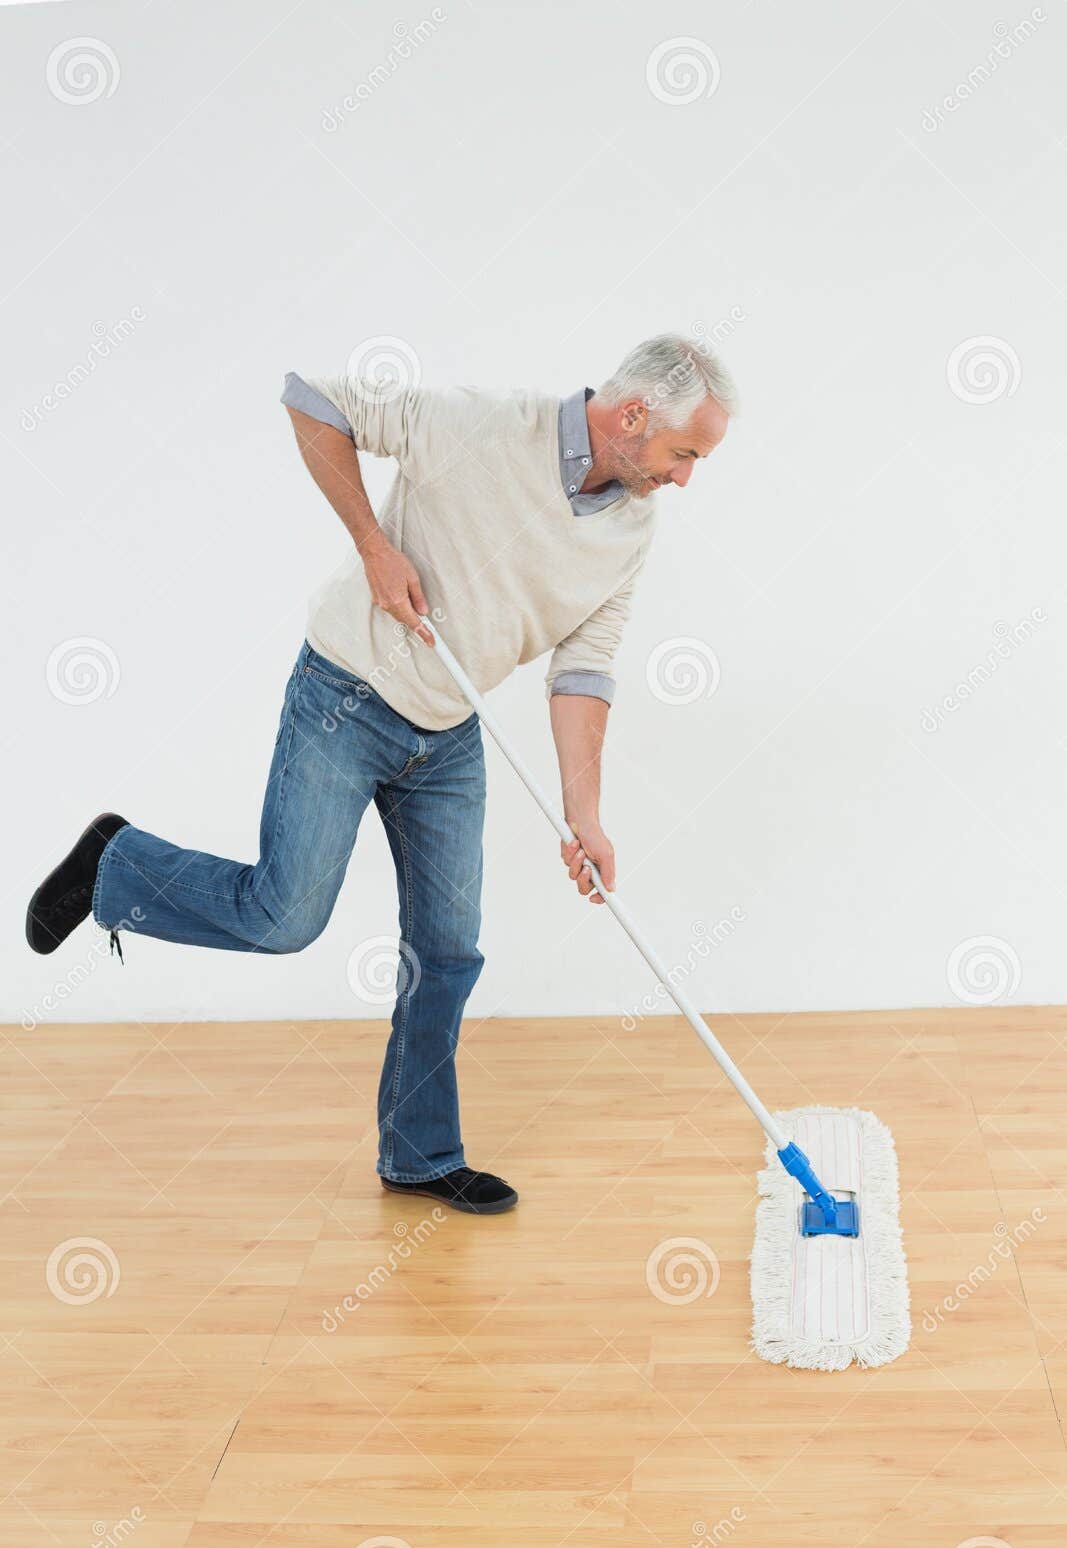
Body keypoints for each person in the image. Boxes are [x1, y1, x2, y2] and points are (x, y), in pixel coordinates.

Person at [26, 334, 737, 1214]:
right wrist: (372, 544)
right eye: (684, 454)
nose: (684, 478)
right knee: (284, 918)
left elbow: (584, 666)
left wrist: (582, 812)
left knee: (447, 951)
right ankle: (116, 865)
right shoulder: (479, 424)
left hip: (448, 730)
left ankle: (419, 1152)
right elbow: (312, 398)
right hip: (346, 694)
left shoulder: (631, 527)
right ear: (633, 418)